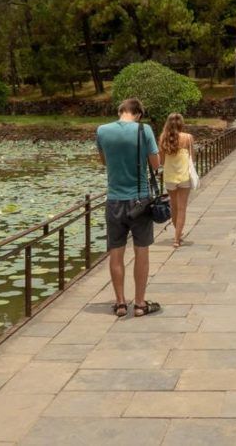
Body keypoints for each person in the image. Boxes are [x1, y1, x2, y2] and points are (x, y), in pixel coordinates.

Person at [95, 98, 162, 318]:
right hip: (140, 200)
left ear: (120, 111)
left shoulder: (102, 131)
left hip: (114, 199)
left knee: (116, 252)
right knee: (141, 251)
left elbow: (104, 162)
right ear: (138, 114)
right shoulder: (144, 130)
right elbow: (156, 164)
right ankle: (140, 304)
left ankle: (120, 302)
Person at [159, 113, 194, 248]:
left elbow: (161, 161)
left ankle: (177, 234)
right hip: (184, 176)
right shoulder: (188, 138)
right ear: (182, 124)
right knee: (182, 208)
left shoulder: (163, 138)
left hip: (169, 176)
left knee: (173, 207)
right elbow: (192, 158)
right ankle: (177, 239)